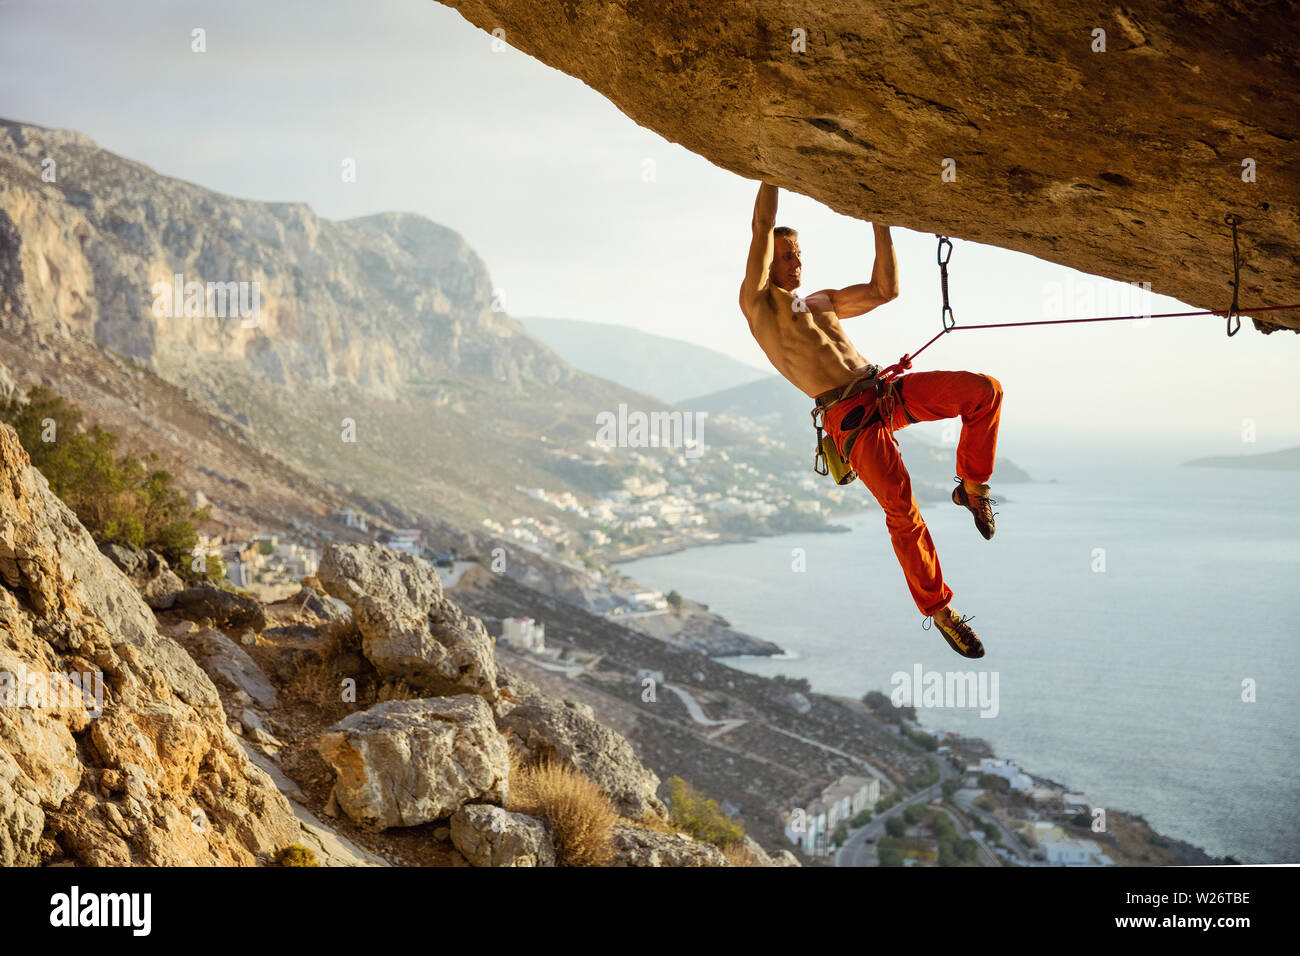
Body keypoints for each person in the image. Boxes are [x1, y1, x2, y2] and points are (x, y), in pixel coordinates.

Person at [737, 181, 1003, 658]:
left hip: (884, 390)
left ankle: (973, 487)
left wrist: (878, 219)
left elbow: (885, 290)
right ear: (767, 265)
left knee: (983, 391)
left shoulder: (819, 302)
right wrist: (768, 170)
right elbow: (760, 226)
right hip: (850, 417)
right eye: (785, 256)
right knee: (902, 510)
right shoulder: (759, 306)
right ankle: (941, 611)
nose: (795, 262)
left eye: (798, 253)